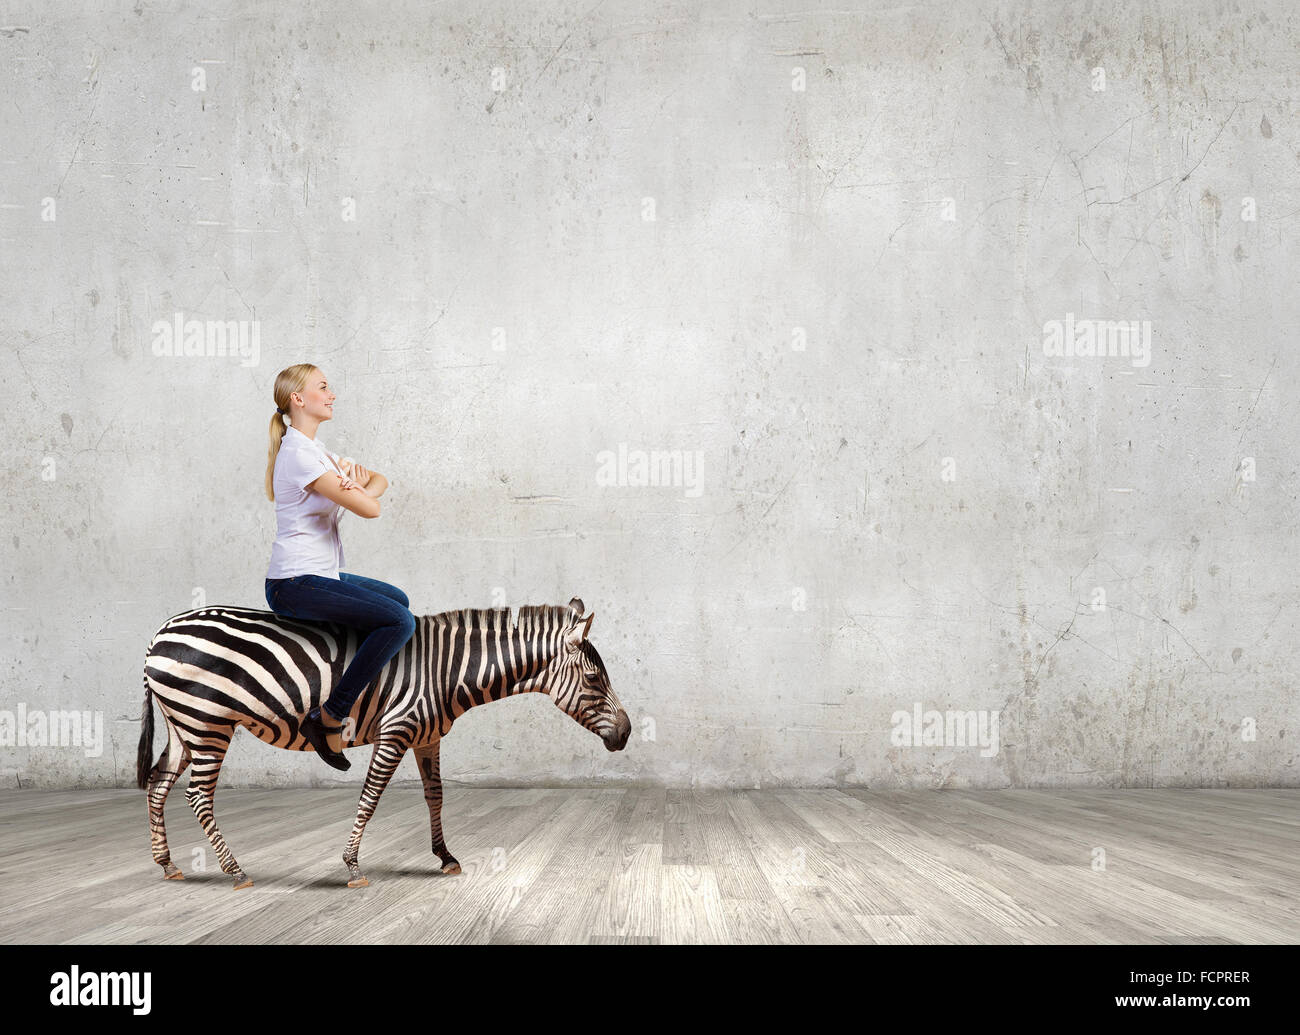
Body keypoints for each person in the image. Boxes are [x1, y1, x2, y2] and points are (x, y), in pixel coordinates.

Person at [262, 363, 416, 771]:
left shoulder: (319, 451)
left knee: (397, 600)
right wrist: (357, 489)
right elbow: (372, 509)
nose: (332, 395)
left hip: (319, 574)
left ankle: (347, 677)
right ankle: (329, 716)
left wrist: (357, 486)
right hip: (295, 582)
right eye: (323, 388)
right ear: (298, 399)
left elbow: (381, 481)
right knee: (399, 622)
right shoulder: (299, 456)